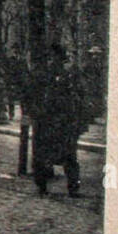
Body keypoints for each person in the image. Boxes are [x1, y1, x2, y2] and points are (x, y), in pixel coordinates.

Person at [33, 44, 88, 197]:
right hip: (50, 122)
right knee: (48, 156)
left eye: (55, 57)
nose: (52, 61)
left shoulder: (68, 75)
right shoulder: (46, 75)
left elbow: (78, 98)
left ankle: (72, 188)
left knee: (67, 156)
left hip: (63, 122)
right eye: (50, 58)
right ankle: (43, 187)